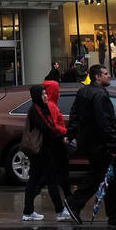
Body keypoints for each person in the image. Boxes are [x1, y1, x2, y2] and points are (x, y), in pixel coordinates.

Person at [63, 64, 116, 226]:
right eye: (106, 73)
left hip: (88, 142)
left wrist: (71, 134)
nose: (109, 76)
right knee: (103, 177)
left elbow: (74, 115)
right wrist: (112, 145)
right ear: (97, 77)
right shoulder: (100, 95)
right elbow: (105, 122)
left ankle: (114, 216)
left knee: (104, 177)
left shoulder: (83, 92)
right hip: (100, 144)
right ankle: (76, 202)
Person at [22, 84, 74, 222]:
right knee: (50, 179)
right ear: (37, 96)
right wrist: (62, 134)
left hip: (43, 149)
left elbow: (49, 127)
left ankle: (28, 211)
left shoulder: (41, 108)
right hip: (41, 150)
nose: (45, 96)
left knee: (35, 180)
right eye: (42, 94)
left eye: (46, 93)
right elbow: (46, 127)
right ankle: (59, 210)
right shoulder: (36, 110)